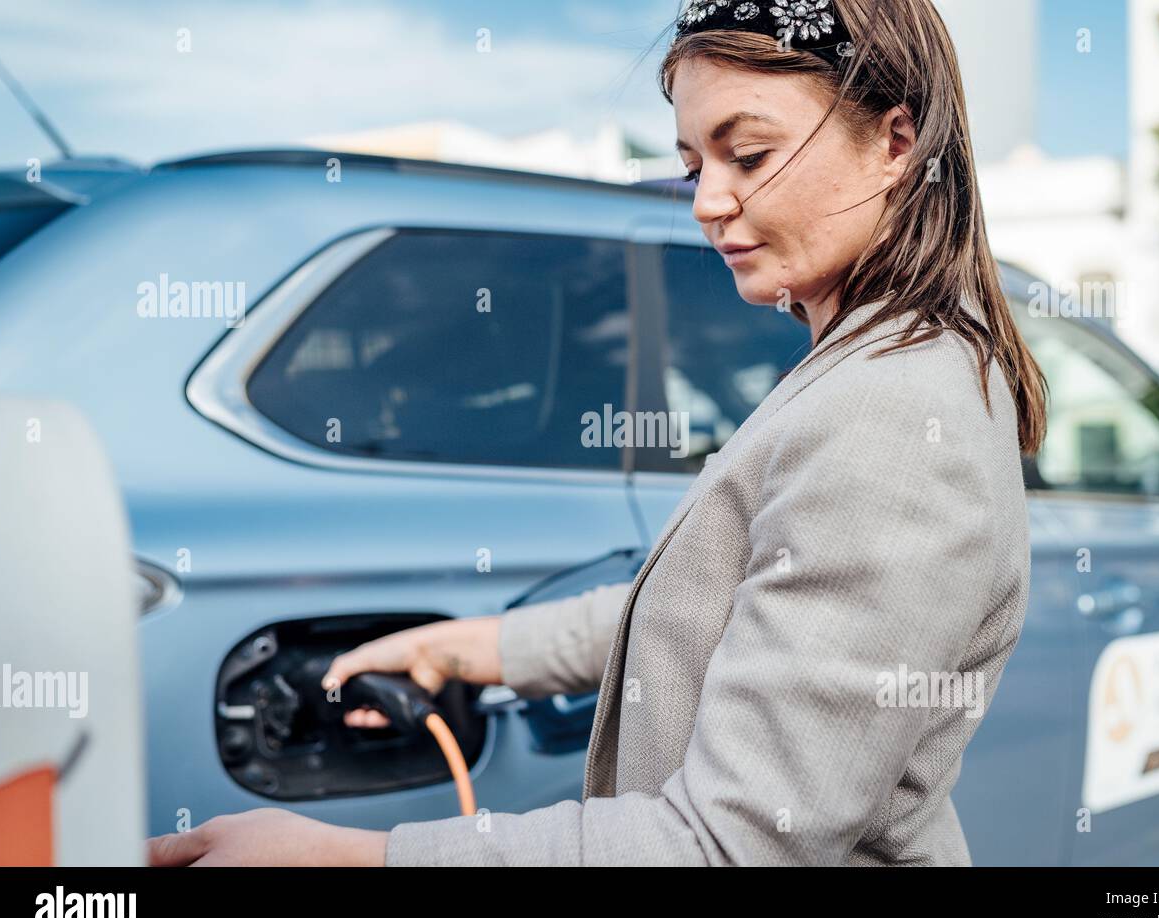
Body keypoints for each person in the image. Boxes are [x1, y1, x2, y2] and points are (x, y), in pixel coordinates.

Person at [148, 0, 1048, 867]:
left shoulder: (888, 411)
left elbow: (734, 846)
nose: (708, 202)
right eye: (697, 165)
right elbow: (726, 613)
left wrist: (353, 859)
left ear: (896, 142)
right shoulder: (866, 368)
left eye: (749, 154)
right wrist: (470, 648)